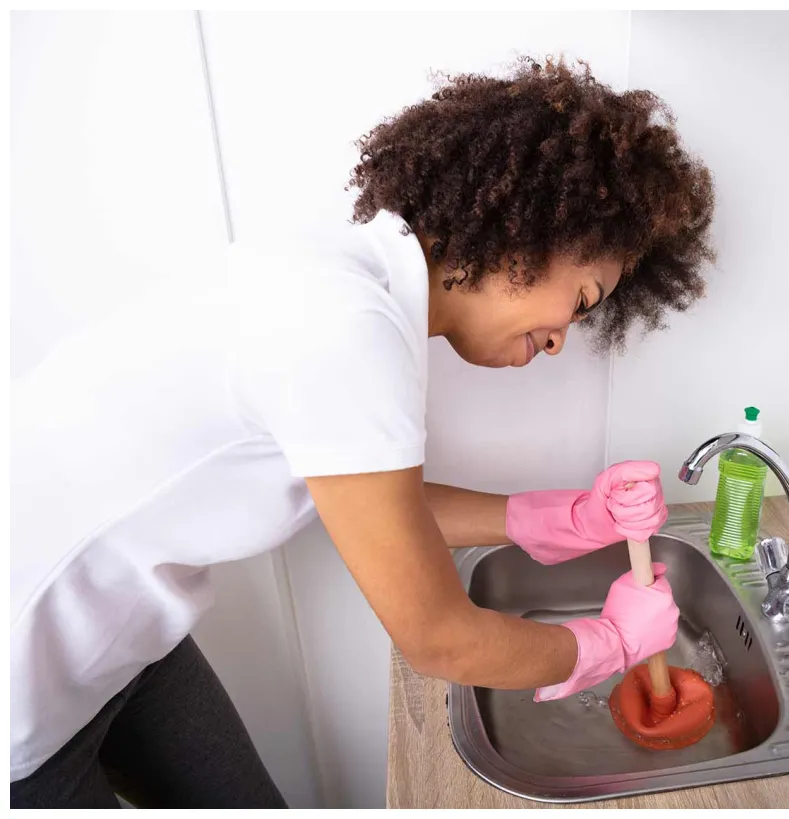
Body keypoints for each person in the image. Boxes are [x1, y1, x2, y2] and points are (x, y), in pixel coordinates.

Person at [10, 57, 716, 808]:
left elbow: (376, 502)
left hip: (122, 639)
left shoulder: (349, 280)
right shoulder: (347, 329)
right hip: (20, 679)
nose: (560, 339)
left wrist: (566, 518)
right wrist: (611, 642)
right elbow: (438, 637)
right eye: (580, 298)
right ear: (534, 233)